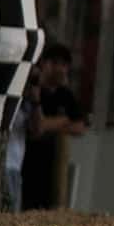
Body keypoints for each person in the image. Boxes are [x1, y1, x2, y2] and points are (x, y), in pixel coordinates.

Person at [19, 44, 87, 212]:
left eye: (65, 65)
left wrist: (52, 124)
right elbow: (36, 126)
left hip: (52, 164)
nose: (61, 70)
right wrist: (62, 121)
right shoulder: (32, 91)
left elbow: (79, 127)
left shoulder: (66, 96)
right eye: (57, 64)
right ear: (45, 64)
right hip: (27, 161)